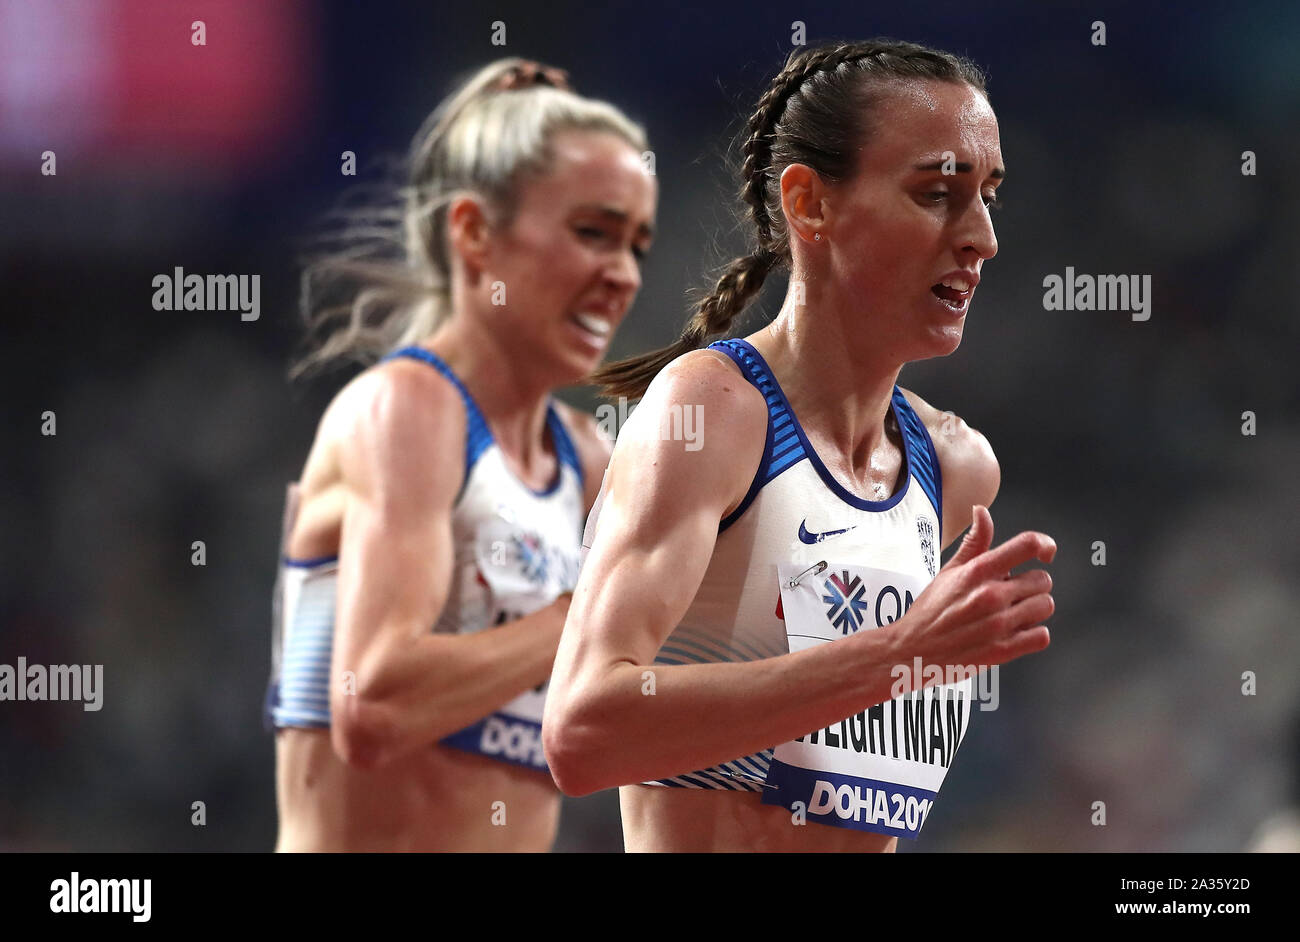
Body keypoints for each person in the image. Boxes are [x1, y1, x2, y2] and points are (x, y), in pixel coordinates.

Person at [543, 39, 1056, 852]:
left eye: (989, 196)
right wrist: (893, 656)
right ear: (809, 202)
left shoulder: (957, 469)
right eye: (936, 194)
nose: (982, 238)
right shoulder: (712, 411)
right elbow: (582, 731)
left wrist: (893, 663)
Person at [264, 58, 656, 851]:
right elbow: (374, 710)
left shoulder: (583, 461)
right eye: (593, 233)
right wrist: (580, 617)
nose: (621, 275)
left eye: (637, 247)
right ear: (475, 232)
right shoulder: (406, 410)